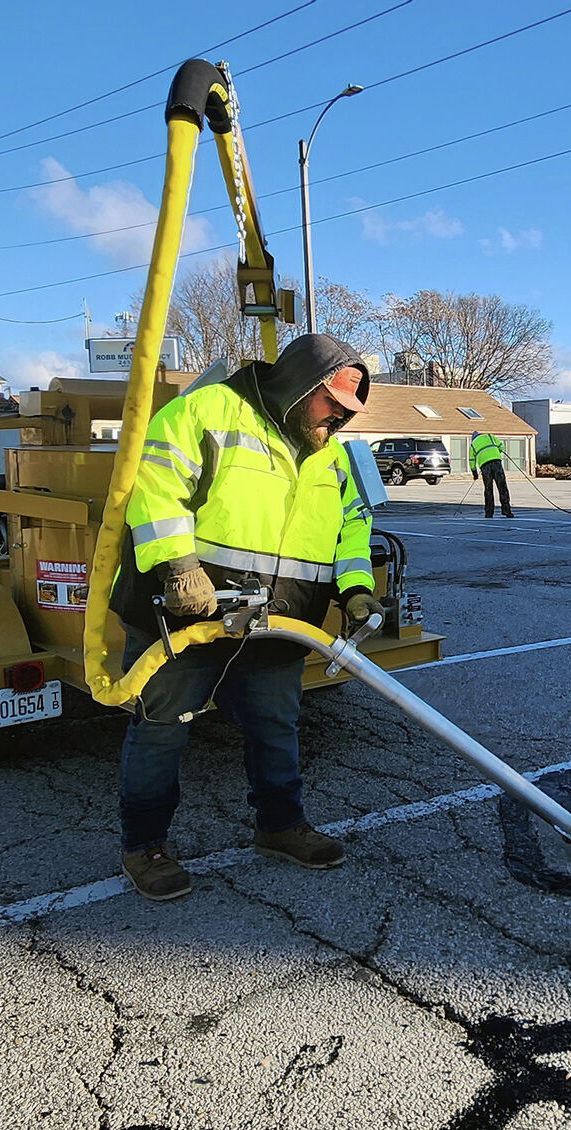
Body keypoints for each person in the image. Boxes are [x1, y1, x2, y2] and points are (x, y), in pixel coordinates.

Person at [109, 332, 383, 900]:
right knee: (164, 726)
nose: (338, 419)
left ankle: (280, 826)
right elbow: (156, 487)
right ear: (301, 385)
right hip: (186, 613)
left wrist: (356, 589)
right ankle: (145, 845)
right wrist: (179, 567)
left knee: (275, 725)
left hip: (277, 621)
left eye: (348, 412)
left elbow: (351, 528)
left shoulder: (331, 457)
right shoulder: (209, 411)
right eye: (331, 403)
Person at [470, 429, 513, 517]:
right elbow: (501, 446)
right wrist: (496, 452)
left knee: (488, 489)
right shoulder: (490, 436)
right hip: (496, 462)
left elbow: (471, 460)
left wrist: (474, 473)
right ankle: (506, 510)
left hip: (485, 466)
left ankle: (489, 513)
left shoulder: (473, 444)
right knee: (502, 486)